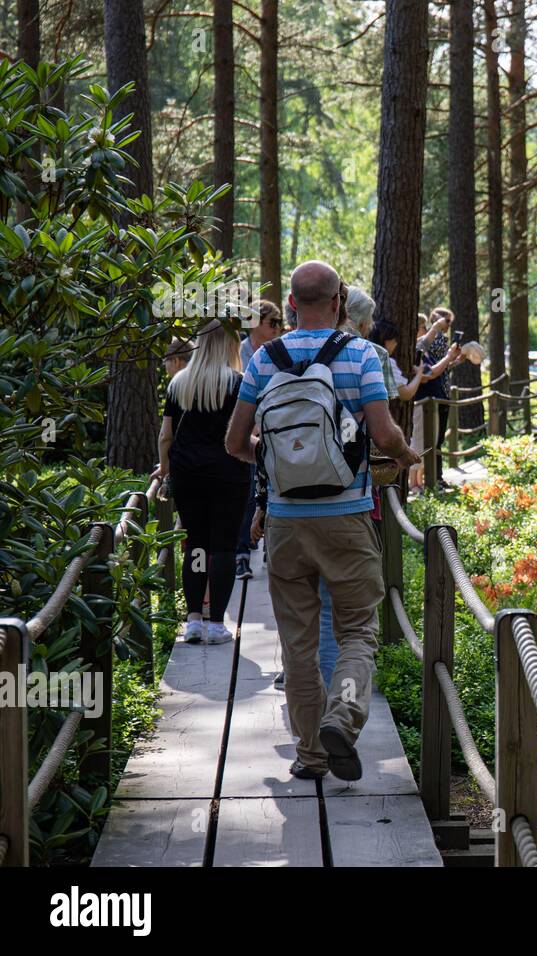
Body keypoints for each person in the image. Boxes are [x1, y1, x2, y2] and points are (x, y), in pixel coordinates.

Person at [226, 260, 421, 782]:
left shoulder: (265, 359)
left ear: (290, 305)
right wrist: (406, 456)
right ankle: (344, 716)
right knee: (358, 631)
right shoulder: (359, 354)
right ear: (338, 303)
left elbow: (233, 442)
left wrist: (273, 465)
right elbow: (383, 435)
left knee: (298, 646)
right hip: (347, 517)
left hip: (286, 523)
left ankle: (310, 756)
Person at [153, 320, 250, 645]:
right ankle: (216, 624)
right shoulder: (237, 383)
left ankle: (193, 618)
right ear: (229, 346)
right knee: (223, 546)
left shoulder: (179, 383)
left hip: (187, 473)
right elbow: (248, 432)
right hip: (228, 472)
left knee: (195, 542)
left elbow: (166, 435)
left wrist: (165, 470)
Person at [235, 301, 283, 580]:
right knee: (249, 495)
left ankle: (270, 548)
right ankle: (243, 554)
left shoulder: (279, 352)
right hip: (246, 433)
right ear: (255, 322)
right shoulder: (240, 352)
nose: (278, 328)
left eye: (279, 322)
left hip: (273, 430)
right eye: (272, 322)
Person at [413, 307, 464, 492]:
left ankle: (430, 478)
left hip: (437, 394)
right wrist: (450, 355)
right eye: (447, 322)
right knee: (427, 440)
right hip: (428, 398)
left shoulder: (431, 343)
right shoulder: (435, 340)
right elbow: (431, 372)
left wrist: (453, 360)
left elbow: (440, 367)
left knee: (435, 439)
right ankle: (426, 480)